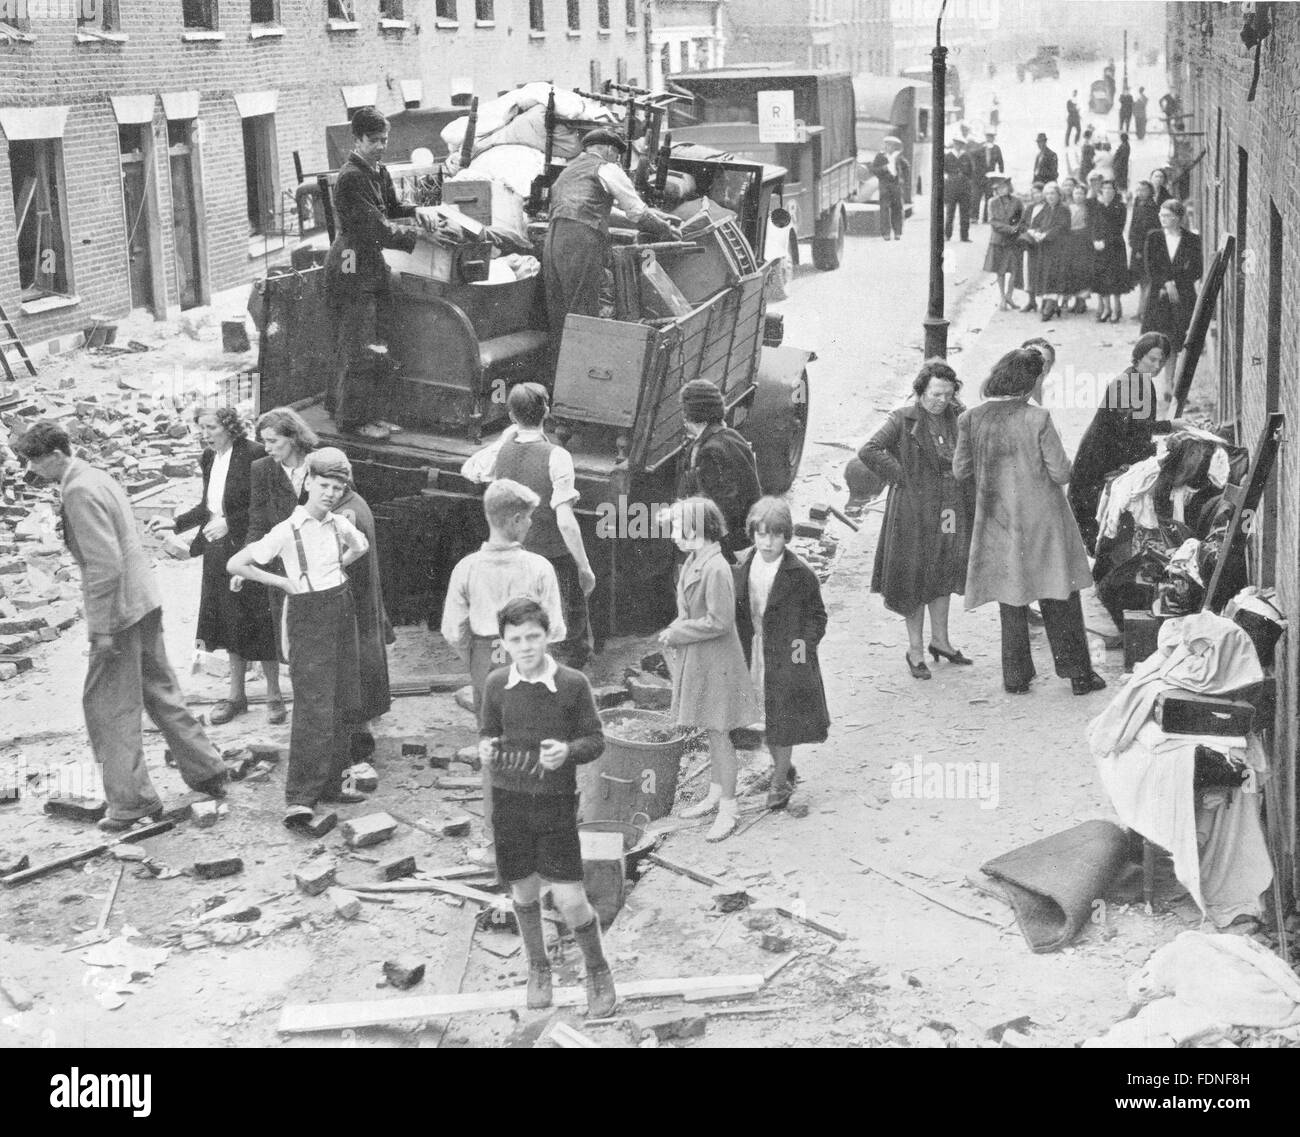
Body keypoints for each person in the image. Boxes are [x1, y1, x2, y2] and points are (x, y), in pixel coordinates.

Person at [15, 422, 228, 832]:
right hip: (143, 600)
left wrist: (101, 628)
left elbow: (103, 563)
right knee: (159, 688)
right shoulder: (96, 475)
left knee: (107, 708)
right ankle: (208, 770)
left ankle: (132, 802)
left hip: (120, 612)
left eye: (34, 461)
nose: (31, 469)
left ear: (55, 456)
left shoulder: (77, 490)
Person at [478, 597, 614, 1016]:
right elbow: (488, 732)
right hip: (509, 801)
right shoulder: (496, 684)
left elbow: (596, 740)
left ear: (548, 634)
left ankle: (597, 968)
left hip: (554, 804)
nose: (526, 646)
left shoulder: (573, 684)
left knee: (570, 898)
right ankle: (538, 967)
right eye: (515, 639)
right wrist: (485, 748)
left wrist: (568, 751)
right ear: (503, 642)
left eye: (533, 636)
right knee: (523, 889)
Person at [228, 448, 370, 828]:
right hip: (308, 615)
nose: (330, 494)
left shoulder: (338, 524)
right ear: (307, 482)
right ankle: (300, 797)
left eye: (338, 488)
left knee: (342, 697)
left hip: (341, 605)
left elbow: (362, 547)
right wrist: (282, 582)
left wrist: (339, 567)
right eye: (324, 485)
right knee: (313, 705)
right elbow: (236, 563)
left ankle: (335, 784)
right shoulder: (286, 530)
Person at [952, 350, 1105, 697]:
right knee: (1059, 593)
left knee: (1011, 595)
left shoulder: (971, 418)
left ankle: (1016, 677)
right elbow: (1061, 472)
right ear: (1031, 380)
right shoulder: (1037, 418)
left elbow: (960, 470)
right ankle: (1079, 675)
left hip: (997, 520)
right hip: (1042, 521)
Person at [441, 478, 565, 867]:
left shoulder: (467, 568)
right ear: (513, 521)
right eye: (527, 518)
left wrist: (477, 661)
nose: (530, 524)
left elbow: (451, 630)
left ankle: (500, 843)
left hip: (485, 658)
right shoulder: (539, 567)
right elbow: (556, 629)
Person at [149, 406, 280, 728]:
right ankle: (237, 697)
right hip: (219, 551)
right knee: (229, 621)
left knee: (259, 619)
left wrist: (230, 525)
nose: (204, 434)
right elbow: (209, 507)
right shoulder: (209, 458)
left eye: (211, 427)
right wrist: (175, 522)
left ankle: (275, 696)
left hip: (249, 548)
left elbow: (265, 506)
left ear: (231, 427)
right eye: (201, 427)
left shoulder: (255, 454)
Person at [859, 359, 974, 681]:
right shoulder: (902, 418)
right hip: (914, 510)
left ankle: (942, 641)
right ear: (921, 391)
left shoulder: (958, 417)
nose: (941, 401)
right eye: (935, 394)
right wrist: (902, 477)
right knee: (915, 578)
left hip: (950, 507)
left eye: (948, 395)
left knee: (944, 571)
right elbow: (868, 450)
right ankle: (915, 650)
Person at [659, 497, 761, 842]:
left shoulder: (716, 567)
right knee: (709, 729)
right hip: (702, 659)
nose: (672, 534)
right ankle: (716, 792)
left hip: (718, 662)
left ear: (696, 528)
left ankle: (728, 808)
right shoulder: (693, 560)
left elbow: (720, 621)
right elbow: (688, 610)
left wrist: (677, 632)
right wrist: (674, 627)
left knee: (719, 734)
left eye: (676, 526)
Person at [483, 382, 595, 669]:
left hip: (515, 550)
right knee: (566, 628)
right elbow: (566, 521)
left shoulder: (502, 450)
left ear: (510, 416)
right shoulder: (557, 455)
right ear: (547, 411)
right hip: (552, 554)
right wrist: (583, 566)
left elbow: (477, 473)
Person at [325, 106, 419, 444]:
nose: (381, 146)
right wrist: (413, 236)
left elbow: (393, 210)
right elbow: (374, 227)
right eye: (374, 140)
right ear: (358, 139)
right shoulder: (352, 176)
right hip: (351, 261)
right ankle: (352, 422)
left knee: (376, 341)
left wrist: (425, 215)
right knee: (359, 342)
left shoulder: (377, 171)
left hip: (369, 261)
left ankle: (366, 411)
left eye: (385, 140)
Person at [733, 497, 829, 810]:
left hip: (788, 657)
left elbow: (817, 616)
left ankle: (778, 782)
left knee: (782, 719)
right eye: (761, 534)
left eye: (775, 535)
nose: (768, 542)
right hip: (758, 651)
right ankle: (783, 768)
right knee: (766, 717)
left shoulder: (799, 573)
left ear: (786, 536)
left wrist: (804, 645)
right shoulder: (748, 564)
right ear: (753, 535)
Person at [543, 128, 679, 343]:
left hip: (554, 238)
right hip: (581, 240)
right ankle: (584, 367)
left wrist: (651, 215)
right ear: (608, 149)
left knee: (558, 309)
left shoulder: (569, 170)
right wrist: (664, 228)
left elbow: (593, 206)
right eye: (616, 154)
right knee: (583, 308)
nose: (617, 159)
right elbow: (636, 211)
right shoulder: (606, 168)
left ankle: (558, 368)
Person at [1067, 332, 1177, 554]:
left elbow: (1139, 426)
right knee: (1097, 527)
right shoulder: (1126, 384)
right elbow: (1125, 432)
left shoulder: (1142, 381)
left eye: (1161, 361)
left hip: (1111, 456)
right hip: (1098, 461)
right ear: (1138, 357)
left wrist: (1170, 427)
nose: (1157, 366)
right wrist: (1165, 434)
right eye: (1152, 359)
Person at [244, 406, 317, 719]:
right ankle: (279, 697)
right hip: (280, 565)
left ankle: (315, 701)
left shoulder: (320, 462)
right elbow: (257, 519)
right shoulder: (262, 469)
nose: (267, 447)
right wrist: (248, 559)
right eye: (264, 441)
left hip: (317, 562)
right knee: (280, 631)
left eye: (273, 440)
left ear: (294, 437)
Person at [334, 477, 393, 765]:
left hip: (352, 601)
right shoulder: (353, 503)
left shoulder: (350, 513)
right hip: (361, 602)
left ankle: (359, 740)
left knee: (356, 668)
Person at [677, 378, 763, 563]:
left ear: (690, 415)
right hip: (748, 538)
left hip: (727, 549)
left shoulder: (709, 452)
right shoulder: (731, 437)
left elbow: (719, 509)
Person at [1141, 198, 1203, 362]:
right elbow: (1150, 267)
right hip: (1158, 293)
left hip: (1182, 295)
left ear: (1177, 217)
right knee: (1154, 341)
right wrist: (1167, 283)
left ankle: (1170, 383)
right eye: (1161, 215)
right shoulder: (1154, 237)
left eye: (1167, 215)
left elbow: (1197, 270)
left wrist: (1176, 283)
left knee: (1176, 341)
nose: (1162, 218)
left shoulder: (1192, 240)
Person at [1024, 181, 1070, 320]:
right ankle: (1050, 303)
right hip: (1044, 248)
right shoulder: (1046, 209)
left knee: (1054, 275)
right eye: (1048, 194)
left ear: (1058, 195)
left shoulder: (1063, 209)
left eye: (1053, 193)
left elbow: (1061, 227)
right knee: (1045, 274)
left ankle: (1050, 305)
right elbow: (1036, 223)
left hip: (1058, 248)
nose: (1050, 196)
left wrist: (1045, 235)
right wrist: (1035, 232)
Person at [1090, 180, 1129, 323]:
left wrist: (1105, 242)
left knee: (1115, 277)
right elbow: (1094, 226)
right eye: (1104, 188)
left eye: (1110, 189)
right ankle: (1106, 308)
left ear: (1115, 191)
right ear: (1101, 191)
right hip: (1099, 247)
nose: (1107, 191)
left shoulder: (1120, 207)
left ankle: (1117, 308)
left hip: (1115, 246)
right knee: (1102, 277)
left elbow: (1118, 229)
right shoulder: (1098, 207)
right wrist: (1095, 240)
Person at [984, 176, 1023, 309]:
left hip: (1013, 240)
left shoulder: (1017, 202)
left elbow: (1021, 218)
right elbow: (993, 221)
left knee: (1014, 269)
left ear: (1009, 187)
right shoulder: (992, 202)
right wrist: (1009, 229)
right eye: (999, 188)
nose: (1002, 190)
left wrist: (1017, 228)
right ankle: (1002, 298)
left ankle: (1009, 296)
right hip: (998, 239)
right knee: (1000, 270)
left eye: (1004, 187)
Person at [1128, 180, 1161, 321]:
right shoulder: (1138, 205)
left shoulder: (1151, 207)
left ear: (1150, 192)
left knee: (1147, 280)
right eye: (1139, 190)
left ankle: (1146, 313)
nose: (1141, 193)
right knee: (1142, 282)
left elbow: (1147, 231)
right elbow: (1133, 227)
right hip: (1137, 248)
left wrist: (1140, 249)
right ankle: (1141, 310)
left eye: (1144, 190)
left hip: (1145, 250)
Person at [1063, 184, 1094, 315]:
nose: (1078, 196)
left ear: (1085, 195)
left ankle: (1082, 301)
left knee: (1083, 270)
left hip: (1084, 241)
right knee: (1072, 271)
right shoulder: (1068, 208)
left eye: (1081, 193)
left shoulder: (1088, 209)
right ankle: (1075, 300)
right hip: (1071, 241)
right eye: (1076, 193)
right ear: (1072, 194)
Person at [870, 135, 908, 240]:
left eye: (892, 146)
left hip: (896, 185)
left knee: (897, 208)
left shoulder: (898, 157)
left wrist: (902, 179)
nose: (889, 148)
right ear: (885, 146)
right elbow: (873, 169)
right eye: (888, 145)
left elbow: (906, 168)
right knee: (884, 209)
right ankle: (886, 233)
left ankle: (897, 232)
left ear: (895, 147)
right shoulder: (880, 157)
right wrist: (883, 168)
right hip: (884, 184)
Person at [1018, 182, 1047, 313]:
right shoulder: (1030, 208)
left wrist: (1039, 232)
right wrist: (1028, 231)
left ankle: (1045, 302)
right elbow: (1023, 223)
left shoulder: (1048, 207)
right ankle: (1031, 301)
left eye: (1039, 192)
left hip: (1043, 243)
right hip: (1030, 244)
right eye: (1034, 193)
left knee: (1043, 271)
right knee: (1029, 271)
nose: (1037, 195)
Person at [942, 138, 974, 242]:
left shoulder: (966, 156)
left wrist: (967, 182)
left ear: (962, 145)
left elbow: (971, 172)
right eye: (956, 144)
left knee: (965, 213)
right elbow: (944, 170)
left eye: (960, 144)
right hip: (951, 188)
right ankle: (947, 235)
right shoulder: (948, 156)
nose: (958, 146)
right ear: (953, 144)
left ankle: (964, 236)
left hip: (964, 188)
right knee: (950, 213)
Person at [977, 130, 1005, 222]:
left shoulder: (996, 148)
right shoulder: (980, 147)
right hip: (979, 176)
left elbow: (1001, 162)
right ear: (986, 137)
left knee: (989, 197)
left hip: (990, 177)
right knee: (977, 196)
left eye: (991, 137)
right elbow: (974, 160)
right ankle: (974, 217)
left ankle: (986, 218)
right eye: (988, 136)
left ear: (994, 138)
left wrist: (1000, 177)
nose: (989, 138)